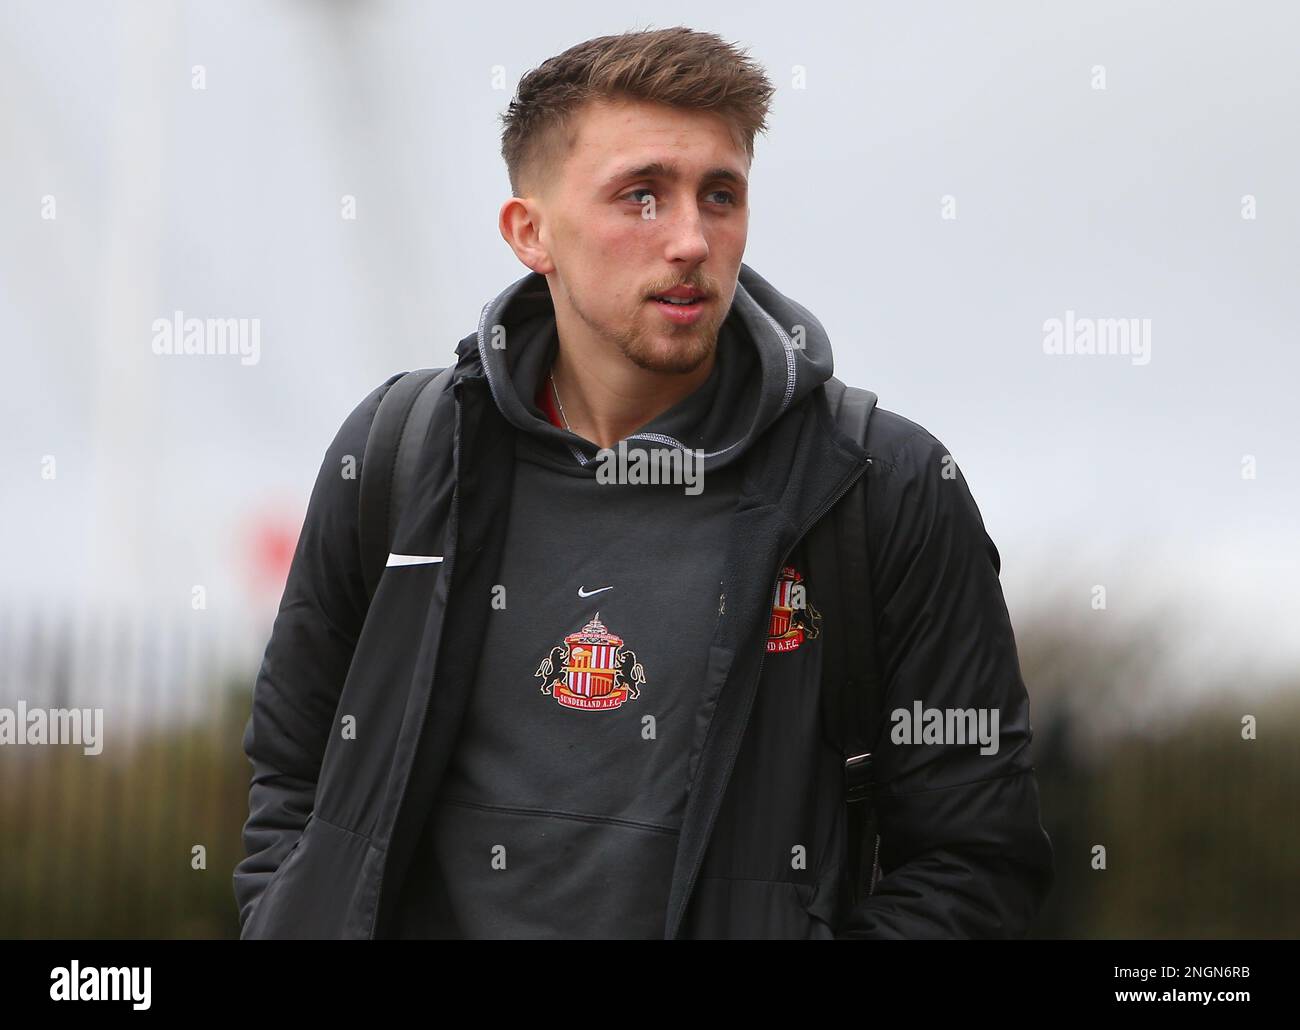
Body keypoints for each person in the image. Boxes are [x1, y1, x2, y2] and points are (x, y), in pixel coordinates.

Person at [233, 25, 1053, 939]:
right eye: (642, 196)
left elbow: (976, 864)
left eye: (721, 195)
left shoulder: (877, 485)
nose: (693, 240)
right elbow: (294, 776)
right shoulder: (402, 453)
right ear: (530, 231)